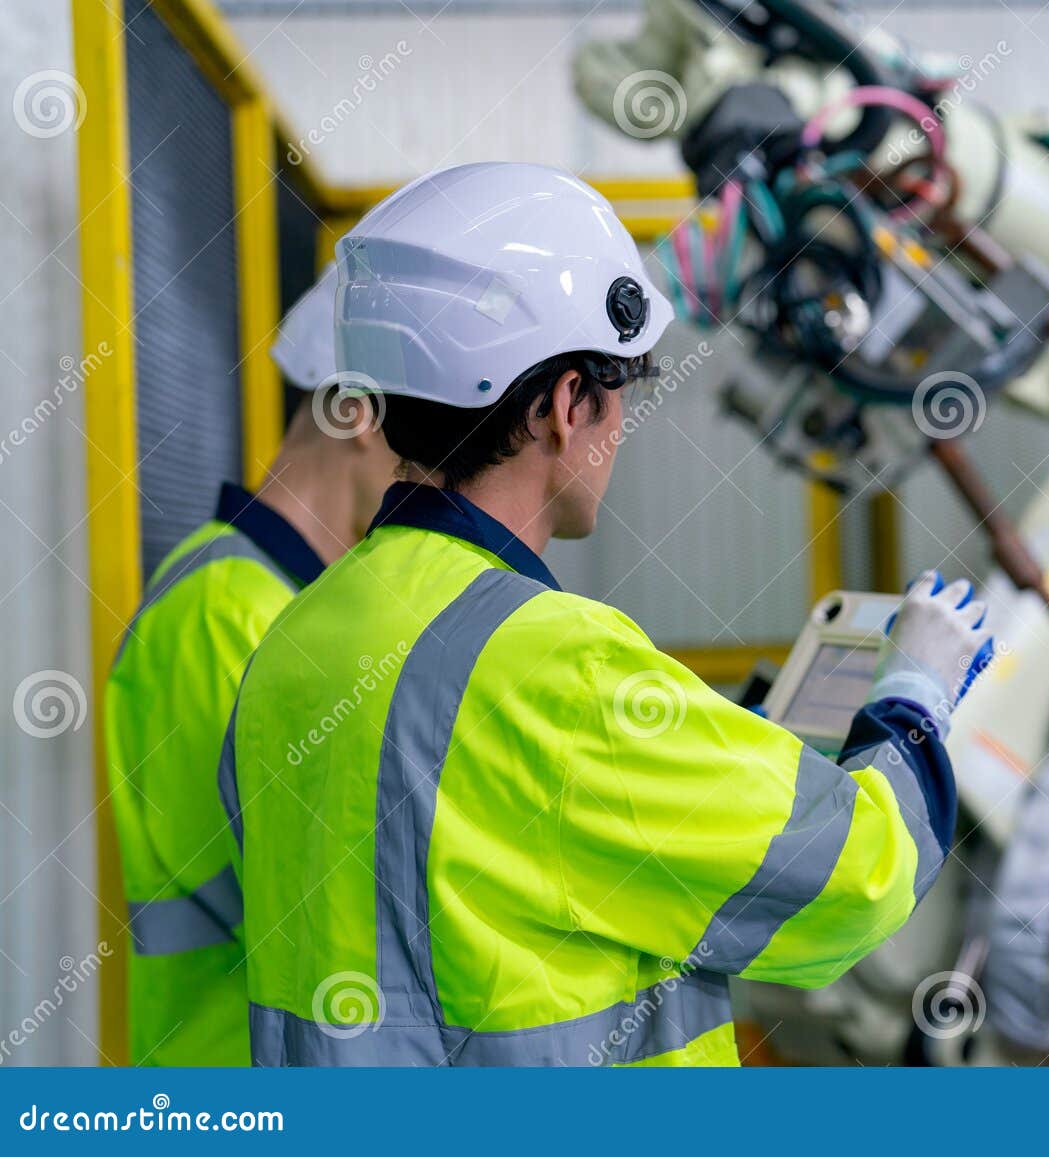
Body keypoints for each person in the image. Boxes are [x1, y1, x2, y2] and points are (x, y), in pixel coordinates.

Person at [220, 161, 992, 1067]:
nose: (620, 424)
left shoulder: (295, 637)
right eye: (622, 389)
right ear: (565, 405)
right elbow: (858, 877)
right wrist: (913, 698)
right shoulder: (558, 663)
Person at [103, 266, 398, 1066]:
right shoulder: (222, 611)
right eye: (436, 433)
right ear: (357, 411)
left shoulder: (283, 603)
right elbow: (311, 901)